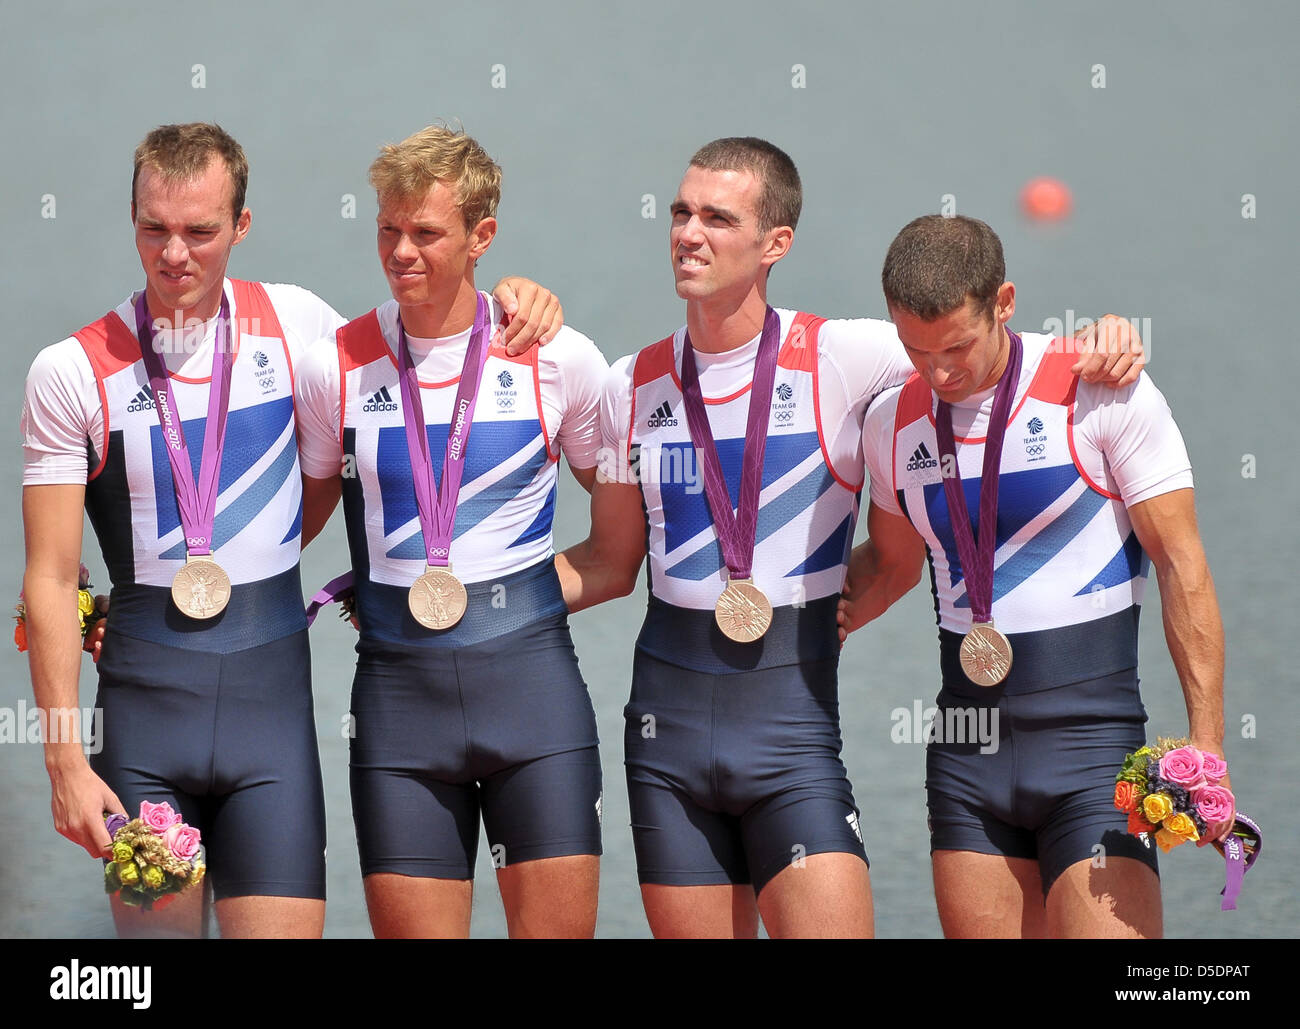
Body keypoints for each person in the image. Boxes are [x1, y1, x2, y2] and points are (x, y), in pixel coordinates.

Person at [556, 139, 1147, 938]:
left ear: (776, 243)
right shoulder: (632, 382)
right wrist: (470, 599)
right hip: (666, 748)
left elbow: (975, 347)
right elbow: (609, 561)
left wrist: (1100, 338)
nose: (689, 233)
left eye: (717, 217)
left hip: (794, 748)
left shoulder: (846, 356)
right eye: (682, 213)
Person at [20, 122, 560, 939]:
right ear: (131, 219)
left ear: (241, 224)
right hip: (142, 724)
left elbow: (433, 351)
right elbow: (53, 577)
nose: (176, 254)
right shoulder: (70, 370)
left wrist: (515, 292)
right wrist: (63, 759)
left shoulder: (303, 329)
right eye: (154, 229)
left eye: (201, 231)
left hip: (271, 728)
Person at [840, 213, 1229, 938]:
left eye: (956, 345)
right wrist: (790, 624)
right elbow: (890, 564)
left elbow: (1183, 566)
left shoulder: (1099, 390)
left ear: (1005, 301)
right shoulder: (893, 422)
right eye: (916, 351)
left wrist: (1206, 743)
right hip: (966, 752)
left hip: (1094, 753)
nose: (939, 373)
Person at [294, 126, 609, 938]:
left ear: (482, 238)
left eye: (426, 232)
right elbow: (289, 520)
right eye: (387, 228)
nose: (401, 251)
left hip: (535, 703)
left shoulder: (557, 357)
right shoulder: (337, 363)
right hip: (400, 714)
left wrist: (509, 604)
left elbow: (621, 553)